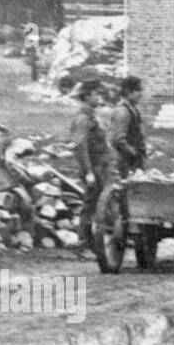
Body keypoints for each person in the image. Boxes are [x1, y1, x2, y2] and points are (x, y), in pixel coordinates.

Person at [71, 80, 110, 248]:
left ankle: (92, 240)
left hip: (100, 166)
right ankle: (84, 241)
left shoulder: (91, 115)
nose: (99, 97)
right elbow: (80, 146)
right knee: (91, 203)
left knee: (97, 203)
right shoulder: (83, 118)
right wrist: (88, 172)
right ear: (86, 96)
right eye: (96, 94)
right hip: (93, 167)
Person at [110, 76, 148, 178]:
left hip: (134, 162)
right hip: (127, 162)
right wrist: (133, 154)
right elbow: (118, 140)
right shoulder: (122, 111)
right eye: (138, 90)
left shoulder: (132, 109)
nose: (141, 94)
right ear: (128, 91)